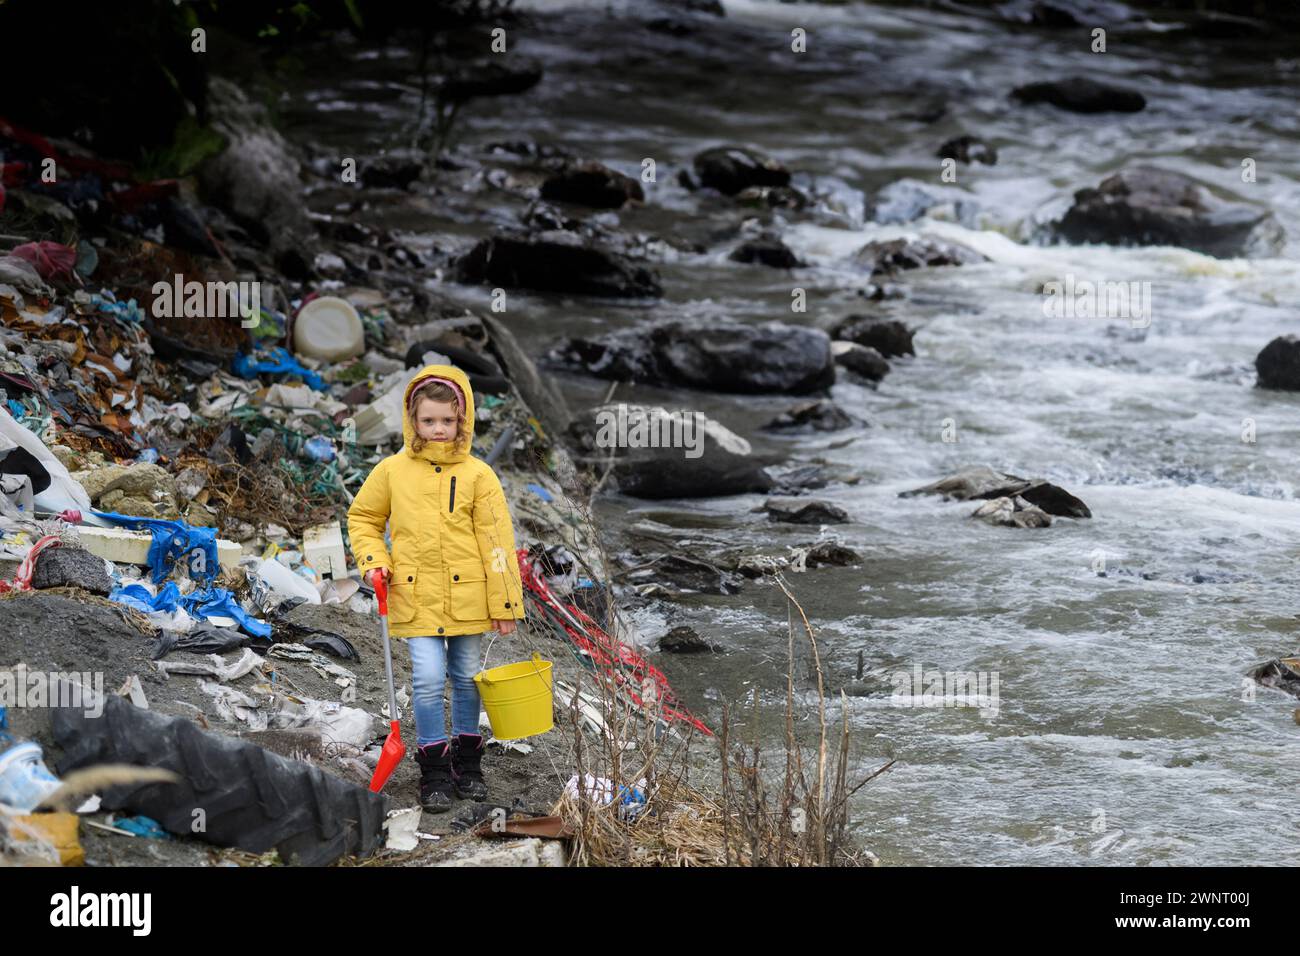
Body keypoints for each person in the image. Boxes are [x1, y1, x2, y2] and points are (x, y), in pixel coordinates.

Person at [347, 363, 526, 812]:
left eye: (447, 421)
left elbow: (497, 544)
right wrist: (375, 562)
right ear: (413, 420)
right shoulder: (392, 471)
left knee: (466, 680)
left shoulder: (479, 475)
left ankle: (469, 764)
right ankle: (434, 769)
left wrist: (505, 603)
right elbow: (364, 518)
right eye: (429, 421)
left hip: (470, 598)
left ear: (462, 420)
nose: (439, 429)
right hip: (414, 595)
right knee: (427, 681)